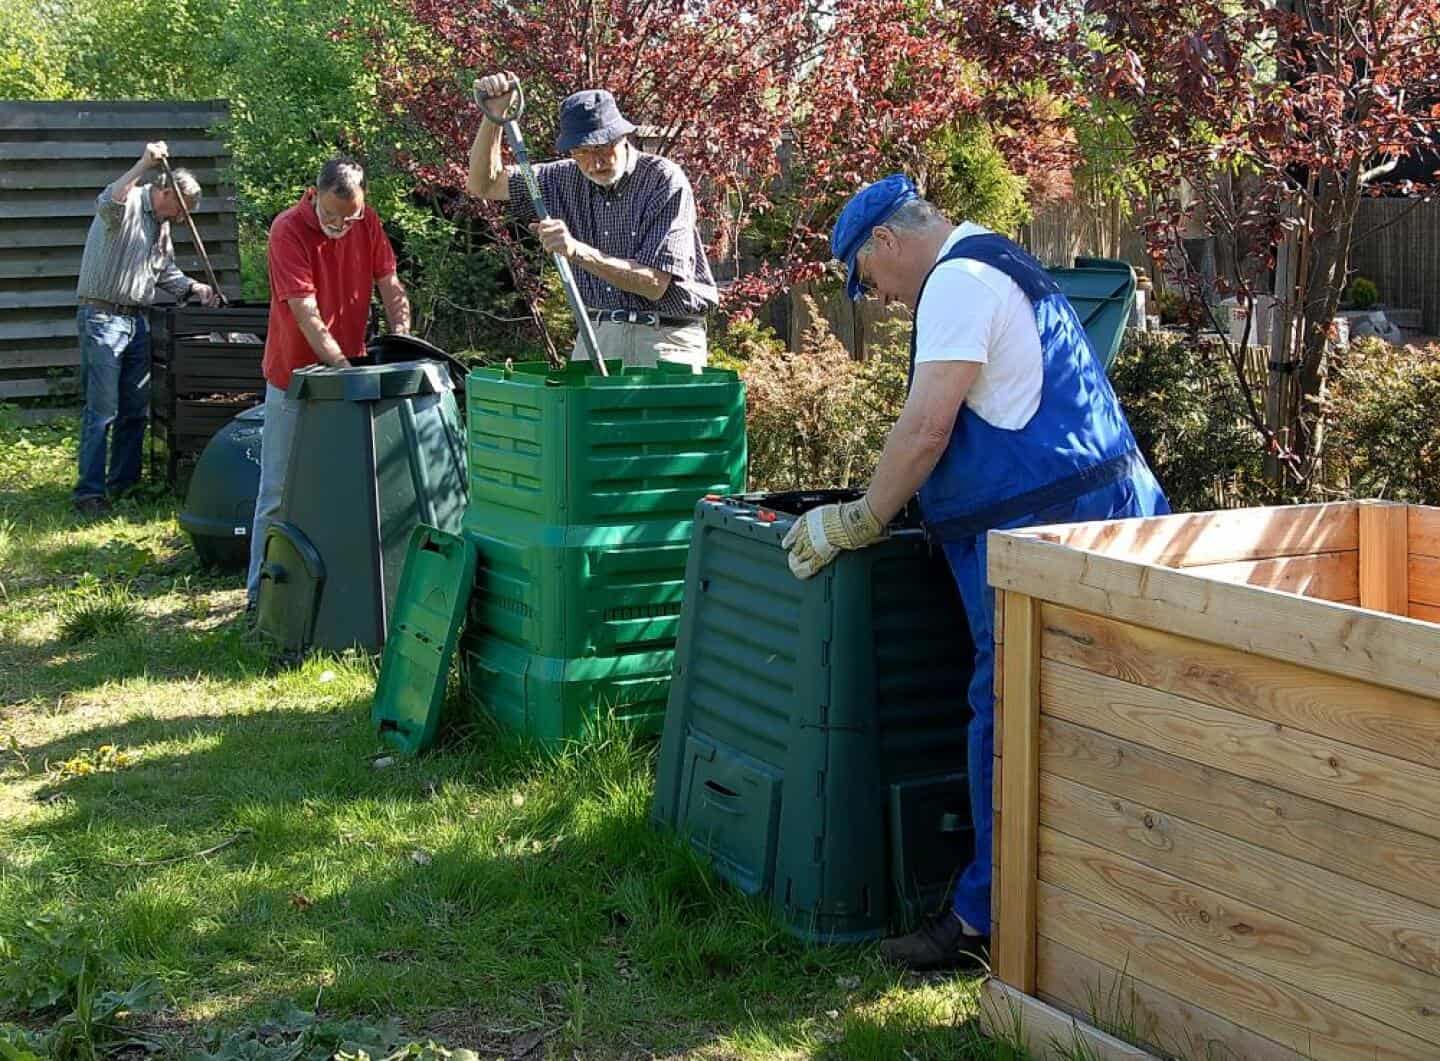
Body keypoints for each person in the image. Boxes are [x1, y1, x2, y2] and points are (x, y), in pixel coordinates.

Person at [783, 175, 1169, 970]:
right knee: (1085, 719)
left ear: (885, 242)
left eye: (869, 279)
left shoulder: (956, 281)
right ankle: (1087, 912)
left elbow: (927, 429)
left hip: (1056, 536)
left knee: (1013, 716)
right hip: (1090, 520)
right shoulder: (996, 258)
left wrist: (859, 518)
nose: (879, 299)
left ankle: (981, 922)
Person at [245, 157, 411, 614]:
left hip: (349, 375)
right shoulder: (288, 229)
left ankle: (336, 594)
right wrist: (344, 368)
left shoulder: (366, 221)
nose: (341, 225)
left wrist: (402, 338)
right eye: (332, 215)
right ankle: (259, 597)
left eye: (351, 216)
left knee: (346, 487)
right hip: (294, 377)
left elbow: (390, 284)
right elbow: (306, 313)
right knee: (278, 489)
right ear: (313, 194)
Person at [466, 73, 717, 371]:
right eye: (582, 152)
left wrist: (576, 251)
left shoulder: (662, 179)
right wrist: (495, 118)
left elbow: (654, 284)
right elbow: (484, 184)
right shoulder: (562, 178)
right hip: (596, 334)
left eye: (601, 148)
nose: (594, 163)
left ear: (622, 137)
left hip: (664, 338)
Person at [73, 140, 220, 517]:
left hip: (136, 320)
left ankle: (124, 484)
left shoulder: (161, 226)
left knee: (135, 411)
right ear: (167, 191)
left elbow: (164, 271)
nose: (181, 218)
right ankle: (89, 493)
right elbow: (107, 201)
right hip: (103, 319)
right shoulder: (128, 202)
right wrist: (144, 162)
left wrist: (193, 287)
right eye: (180, 210)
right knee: (102, 410)